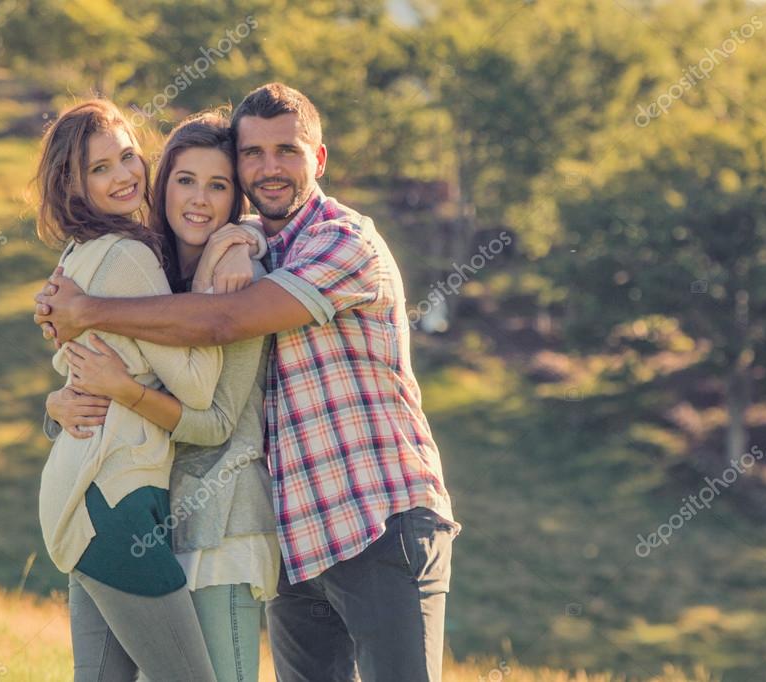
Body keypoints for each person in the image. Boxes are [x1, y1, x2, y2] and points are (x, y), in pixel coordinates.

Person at [35, 83, 459, 682]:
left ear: (319, 159)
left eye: (287, 150)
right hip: (295, 539)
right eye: (253, 154)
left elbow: (223, 323)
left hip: (377, 517)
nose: (269, 167)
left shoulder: (341, 241)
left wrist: (92, 310)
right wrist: (60, 400)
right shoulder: (193, 261)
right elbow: (108, 363)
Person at [44, 109, 279, 682]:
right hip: (119, 503)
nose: (200, 199)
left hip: (204, 522)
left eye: (219, 185)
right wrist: (56, 407)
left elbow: (215, 416)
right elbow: (76, 367)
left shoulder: (236, 275)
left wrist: (236, 252)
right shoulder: (139, 258)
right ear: (165, 182)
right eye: (185, 180)